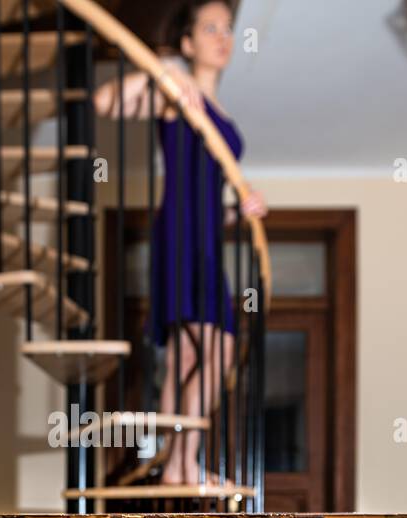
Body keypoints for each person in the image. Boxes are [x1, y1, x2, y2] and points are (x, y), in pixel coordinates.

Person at [94, 0, 268, 487]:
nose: (223, 37)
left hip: (203, 234)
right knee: (218, 347)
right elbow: (104, 102)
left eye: (228, 29)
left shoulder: (220, 111)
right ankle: (180, 461)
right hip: (179, 233)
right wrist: (165, 72)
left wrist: (241, 209)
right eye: (210, 29)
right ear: (188, 43)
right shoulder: (176, 91)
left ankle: (175, 462)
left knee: (191, 358)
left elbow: (208, 199)